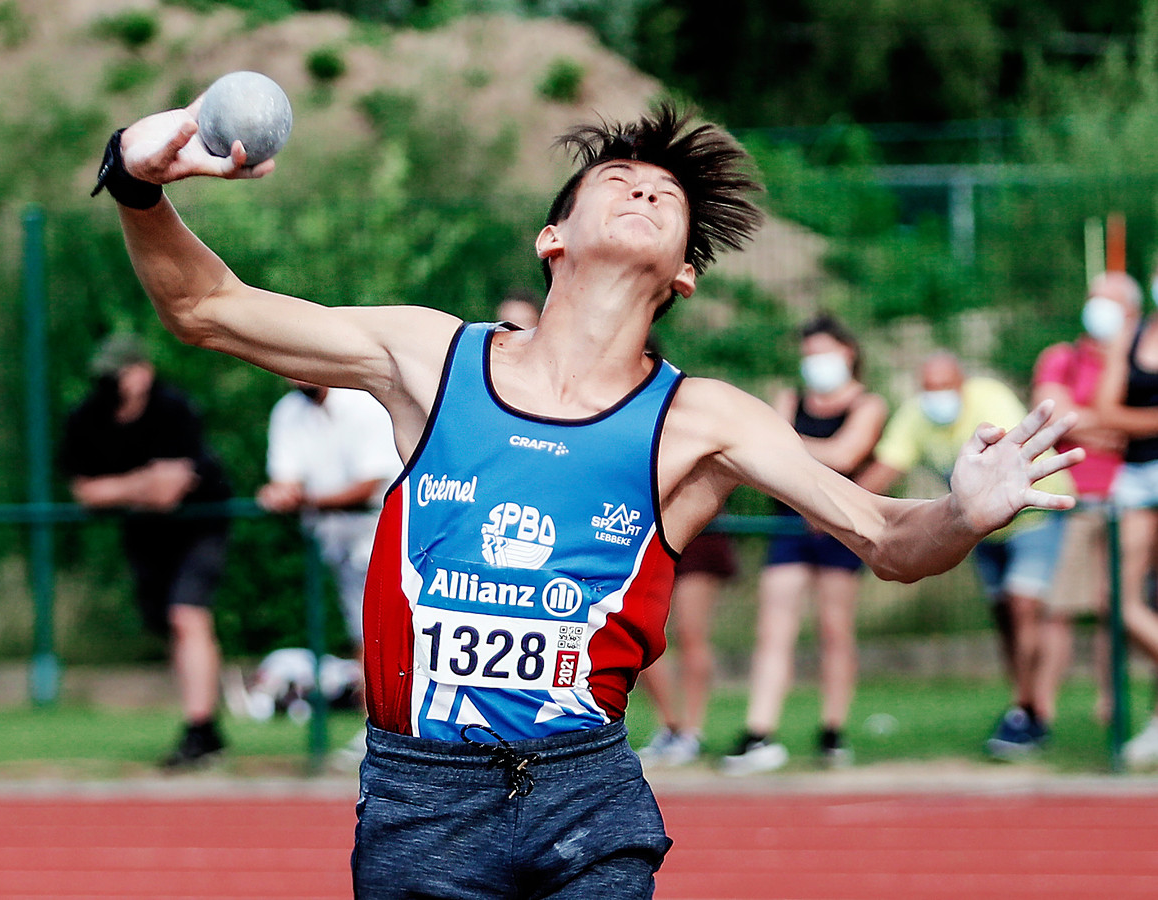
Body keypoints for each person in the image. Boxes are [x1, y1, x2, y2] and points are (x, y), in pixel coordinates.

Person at [96, 99, 1080, 896]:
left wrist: (960, 511)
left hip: (584, 797)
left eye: (665, 193)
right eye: (616, 178)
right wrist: (137, 182)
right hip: (420, 794)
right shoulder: (433, 358)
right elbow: (207, 310)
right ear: (552, 235)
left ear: (684, 273)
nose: (644, 187)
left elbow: (885, 536)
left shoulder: (702, 420)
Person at [860, 351, 1074, 759]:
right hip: (985, 529)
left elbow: (1006, 454)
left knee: (1023, 604)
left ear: (962, 384)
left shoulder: (989, 398)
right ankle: (1026, 707)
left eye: (945, 388)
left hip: (1032, 517)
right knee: (1005, 618)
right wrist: (833, 509)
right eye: (929, 389)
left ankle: (1028, 708)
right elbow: (888, 465)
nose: (936, 396)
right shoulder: (916, 416)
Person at [721, 313, 888, 775]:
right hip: (791, 526)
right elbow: (766, 458)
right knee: (773, 629)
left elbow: (846, 455)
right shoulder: (790, 398)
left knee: (835, 629)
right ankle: (759, 732)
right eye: (808, 353)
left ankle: (833, 731)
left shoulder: (867, 404)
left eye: (823, 352)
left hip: (840, 530)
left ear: (847, 353)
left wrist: (789, 448)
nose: (814, 361)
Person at [59, 333, 233, 770]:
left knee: (187, 615)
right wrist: (142, 483)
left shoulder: (172, 409)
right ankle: (208, 722)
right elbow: (85, 491)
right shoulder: (88, 416)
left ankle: (199, 727)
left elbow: (170, 491)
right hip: (147, 536)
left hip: (199, 525)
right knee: (170, 626)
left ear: (142, 372)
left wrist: (119, 488)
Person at [256, 378, 401, 763]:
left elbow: (372, 482)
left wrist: (305, 498)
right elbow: (283, 478)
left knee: (396, 632)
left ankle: (395, 731)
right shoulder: (288, 411)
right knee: (363, 633)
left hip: (386, 533)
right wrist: (280, 493)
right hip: (339, 540)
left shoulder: (362, 404)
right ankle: (378, 730)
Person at [1031, 272, 1136, 727]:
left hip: (1129, 502)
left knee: (1117, 608)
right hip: (1073, 501)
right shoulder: (1062, 358)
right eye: (1094, 297)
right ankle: (1038, 715)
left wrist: (1106, 425)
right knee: (1058, 610)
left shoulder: (1138, 358)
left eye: (1109, 300)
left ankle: (1113, 709)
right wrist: (1113, 427)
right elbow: (1056, 417)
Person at [1090, 259, 1158, 767]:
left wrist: (1132, 422)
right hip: (1135, 478)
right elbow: (1104, 409)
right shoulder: (1132, 336)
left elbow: (1117, 416)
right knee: (1117, 596)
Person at [634, 530, 737, 767]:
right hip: (648, 533)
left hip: (698, 535)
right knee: (643, 632)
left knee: (690, 632)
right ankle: (671, 727)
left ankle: (691, 733)